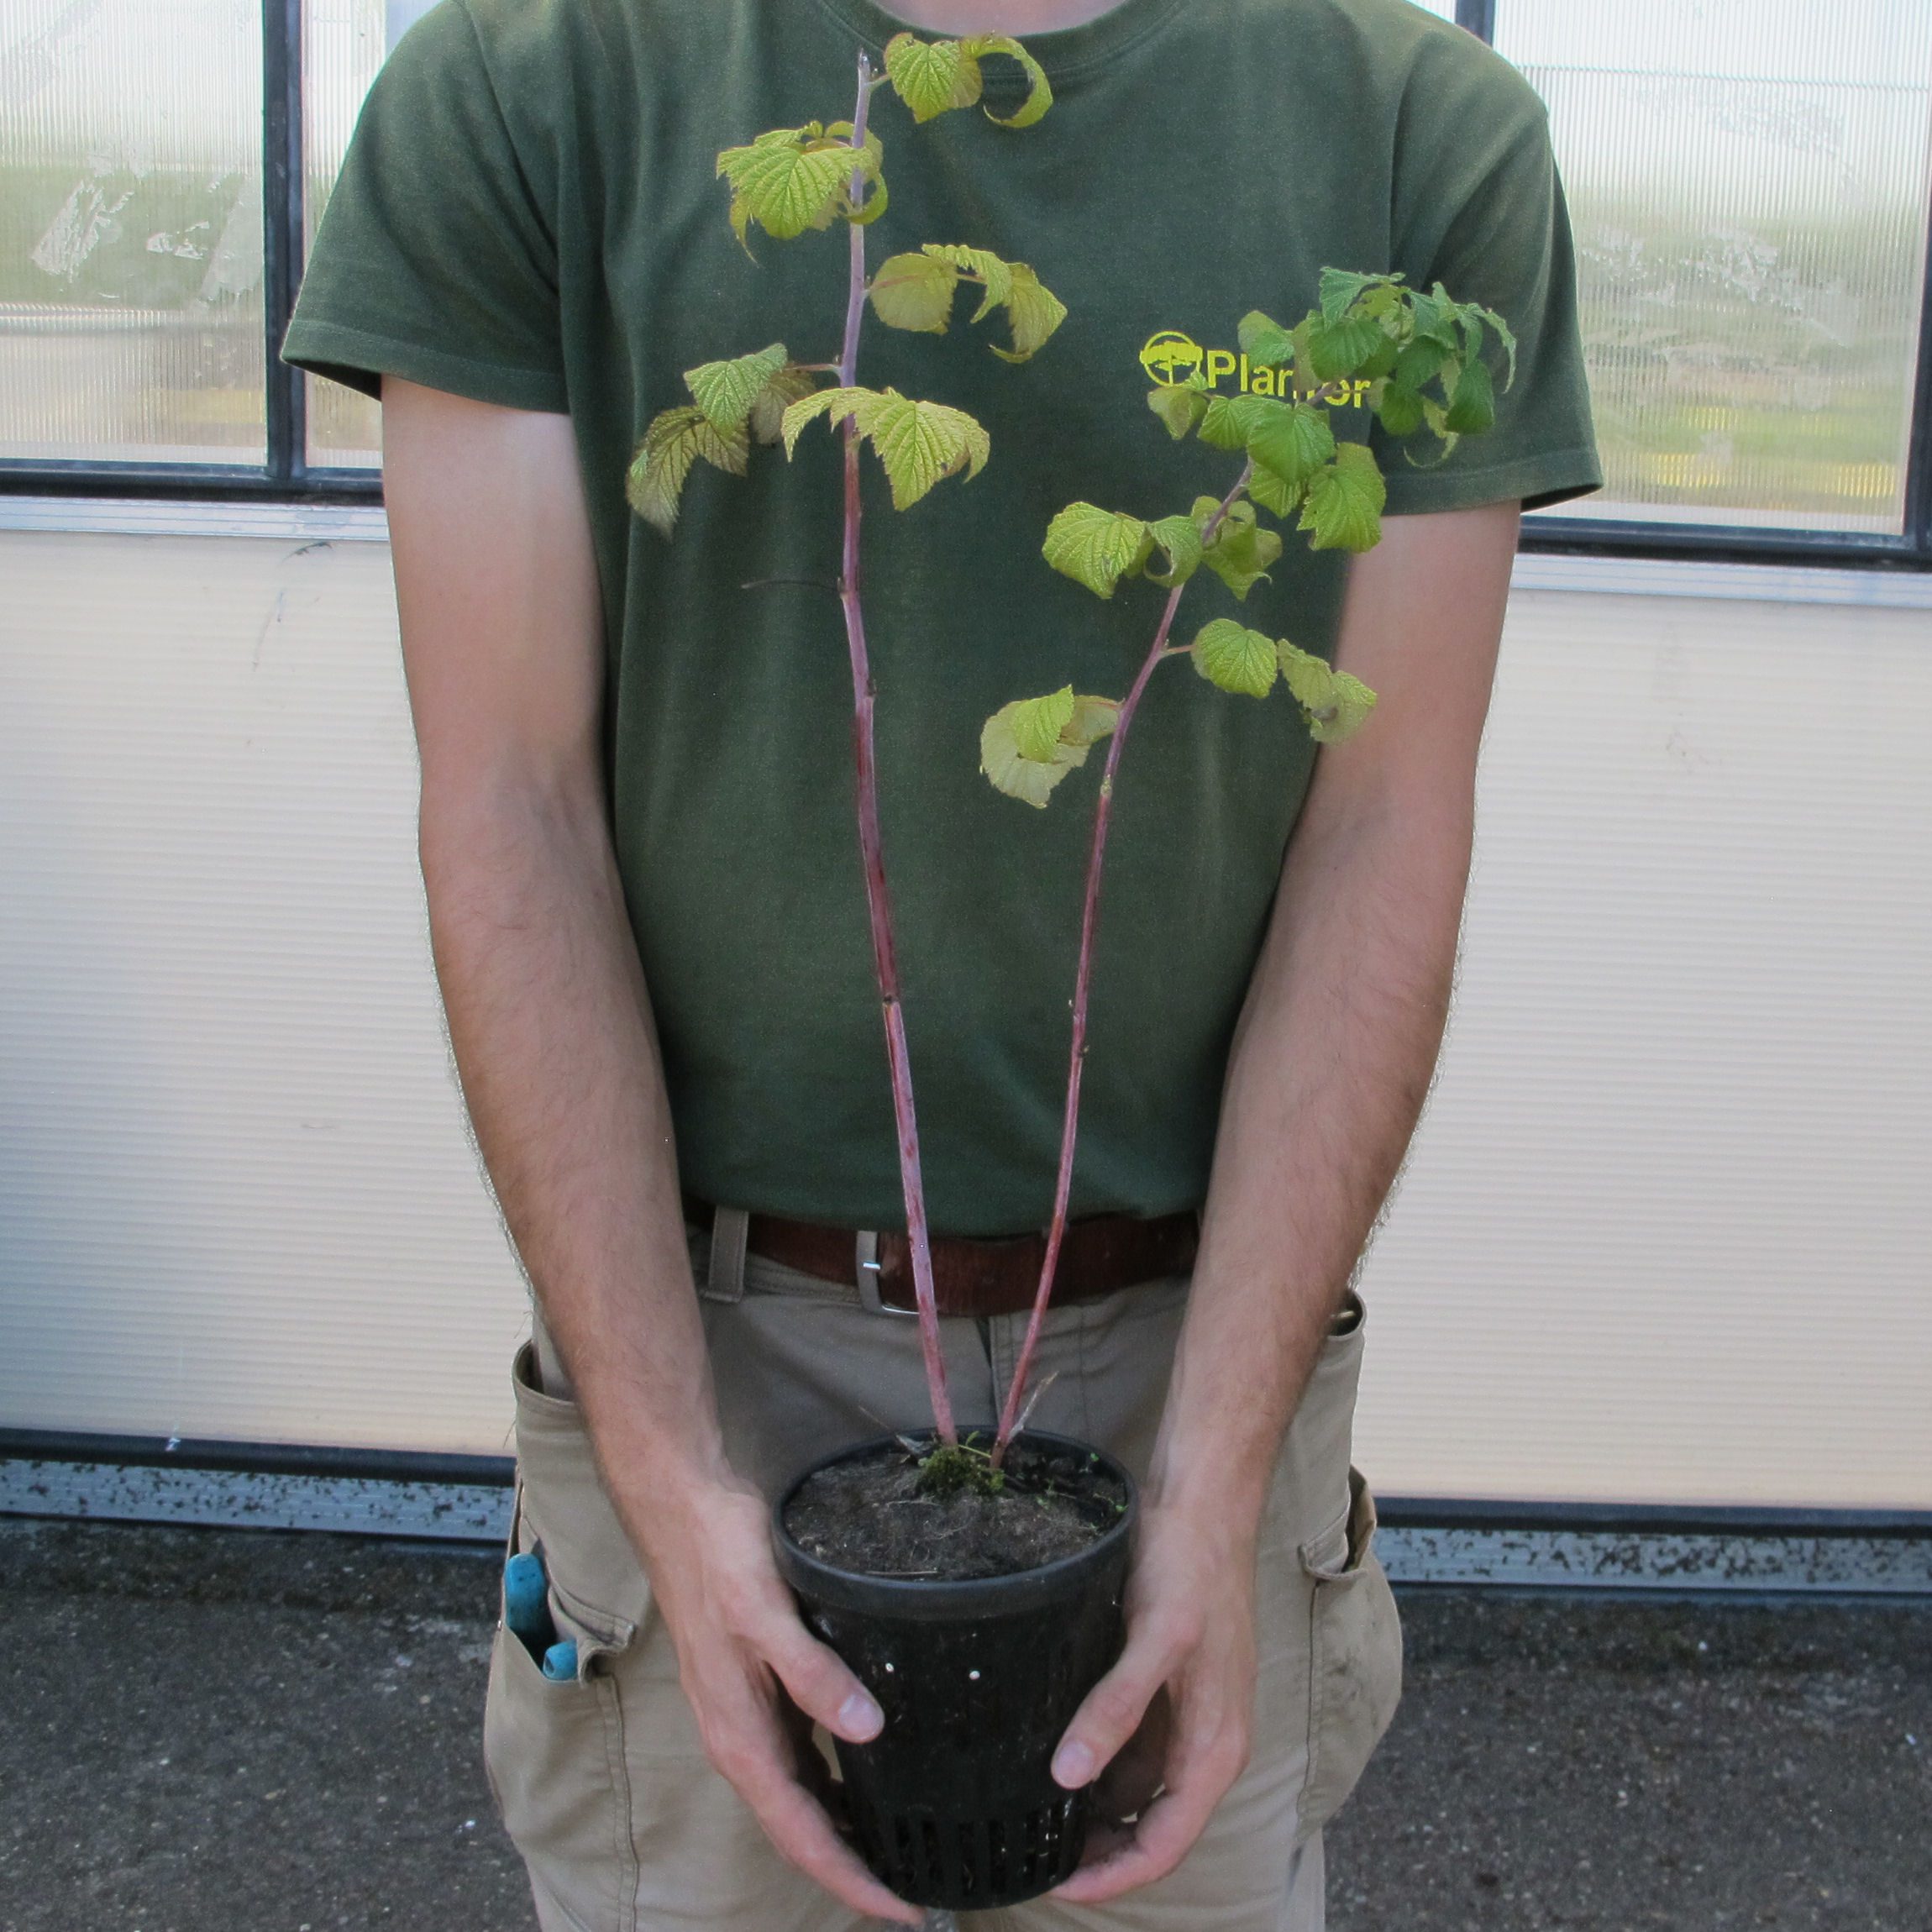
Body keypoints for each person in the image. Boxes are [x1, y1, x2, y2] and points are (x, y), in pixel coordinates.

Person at [284, 0, 1599, 1924]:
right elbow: (509, 804)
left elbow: (1385, 818)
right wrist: (670, 1476)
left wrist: (1214, 1482)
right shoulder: (526, 79)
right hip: (714, 1351)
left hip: (1196, 1356)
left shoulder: (1413, 130)